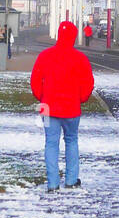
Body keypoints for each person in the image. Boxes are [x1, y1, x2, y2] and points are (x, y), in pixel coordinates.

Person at [30, 20, 94, 193]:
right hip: (72, 107)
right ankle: (71, 180)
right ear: (74, 37)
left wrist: (42, 97)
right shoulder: (80, 59)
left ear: (58, 34)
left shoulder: (45, 55)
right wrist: (81, 99)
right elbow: (88, 83)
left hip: (47, 107)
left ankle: (52, 183)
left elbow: (35, 81)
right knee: (71, 140)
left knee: (50, 143)